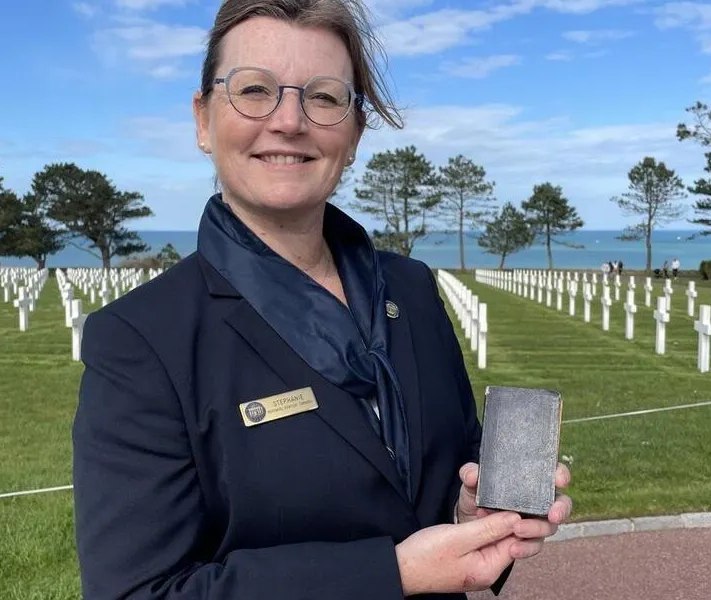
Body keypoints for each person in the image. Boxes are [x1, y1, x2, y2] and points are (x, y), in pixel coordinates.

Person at [71, 1, 572, 598]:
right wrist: (395, 574)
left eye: (325, 97)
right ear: (203, 120)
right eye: (254, 90)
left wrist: (467, 516)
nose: (289, 121)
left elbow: (438, 473)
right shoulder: (142, 339)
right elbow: (137, 591)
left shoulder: (411, 289)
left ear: (355, 133)